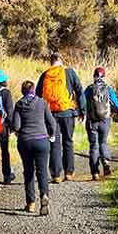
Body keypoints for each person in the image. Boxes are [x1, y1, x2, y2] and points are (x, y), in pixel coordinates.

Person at [36, 52, 85, 183]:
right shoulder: (69, 73)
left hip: (50, 114)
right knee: (68, 141)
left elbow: (37, 95)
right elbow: (79, 91)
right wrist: (82, 110)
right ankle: (69, 172)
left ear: (50, 62)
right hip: (67, 112)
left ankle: (56, 174)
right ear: (61, 60)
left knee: (54, 143)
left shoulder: (45, 75)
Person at [12, 80, 56, 215]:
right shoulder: (42, 103)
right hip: (42, 141)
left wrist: (18, 133)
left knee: (28, 171)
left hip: (25, 141)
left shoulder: (19, 104)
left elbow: (16, 126)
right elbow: (51, 122)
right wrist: (52, 135)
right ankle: (44, 195)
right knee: (42, 171)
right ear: (34, 90)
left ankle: (30, 203)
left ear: (22, 91)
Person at [84, 66, 118, 179]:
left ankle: (95, 173)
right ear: (104, 77)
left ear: (94, 76)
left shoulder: (89, 89)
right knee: (103, 142)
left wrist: (79, 114)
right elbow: (116, 104)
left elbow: (82, 103)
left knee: (93, 146)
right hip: (105, 121)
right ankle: (106, 161)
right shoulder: (108, 89)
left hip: (92, 122)